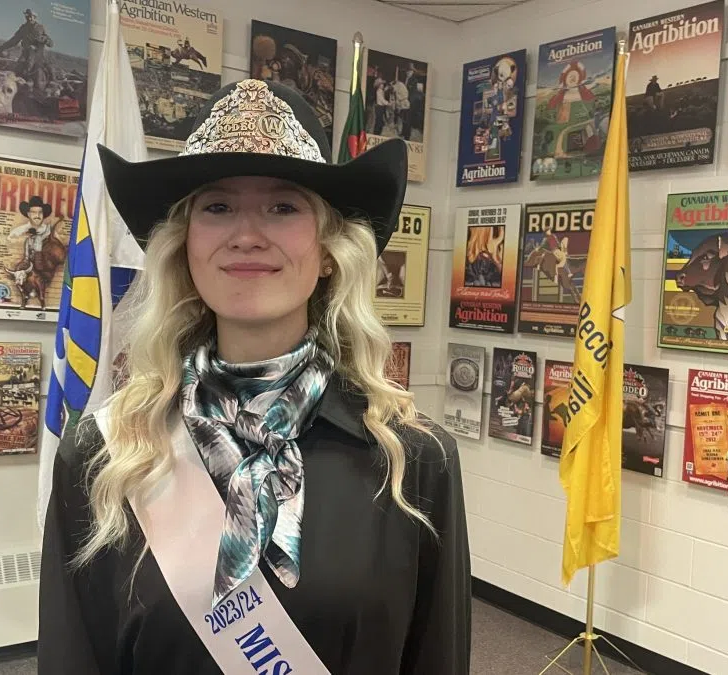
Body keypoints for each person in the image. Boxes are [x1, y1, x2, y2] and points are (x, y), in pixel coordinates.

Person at [38, 79, 471, 674]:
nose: (247, 233)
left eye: (283, 206)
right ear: (184, 246)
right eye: (216, 207)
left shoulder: (413, 459)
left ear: (327, 252)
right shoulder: (106, 454)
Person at [0, 8, 54, 92]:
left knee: (50, 71)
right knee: (16, 71)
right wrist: (2, 47)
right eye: (27, 16)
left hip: (39, 55)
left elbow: (51, 43)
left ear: (35, 17)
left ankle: (52, 85)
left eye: (31, 16)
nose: (29, 18)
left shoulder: (40, 28)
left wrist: (44, 39)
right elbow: (14, 40)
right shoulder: (23, 28)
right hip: (25, 55)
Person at [8, 196, 53, 262]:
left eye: (40, 212)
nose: (37, 216)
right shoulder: (17, 232)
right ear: (28, 214)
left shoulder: (49, 231)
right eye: (34, 212)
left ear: (43, 214)